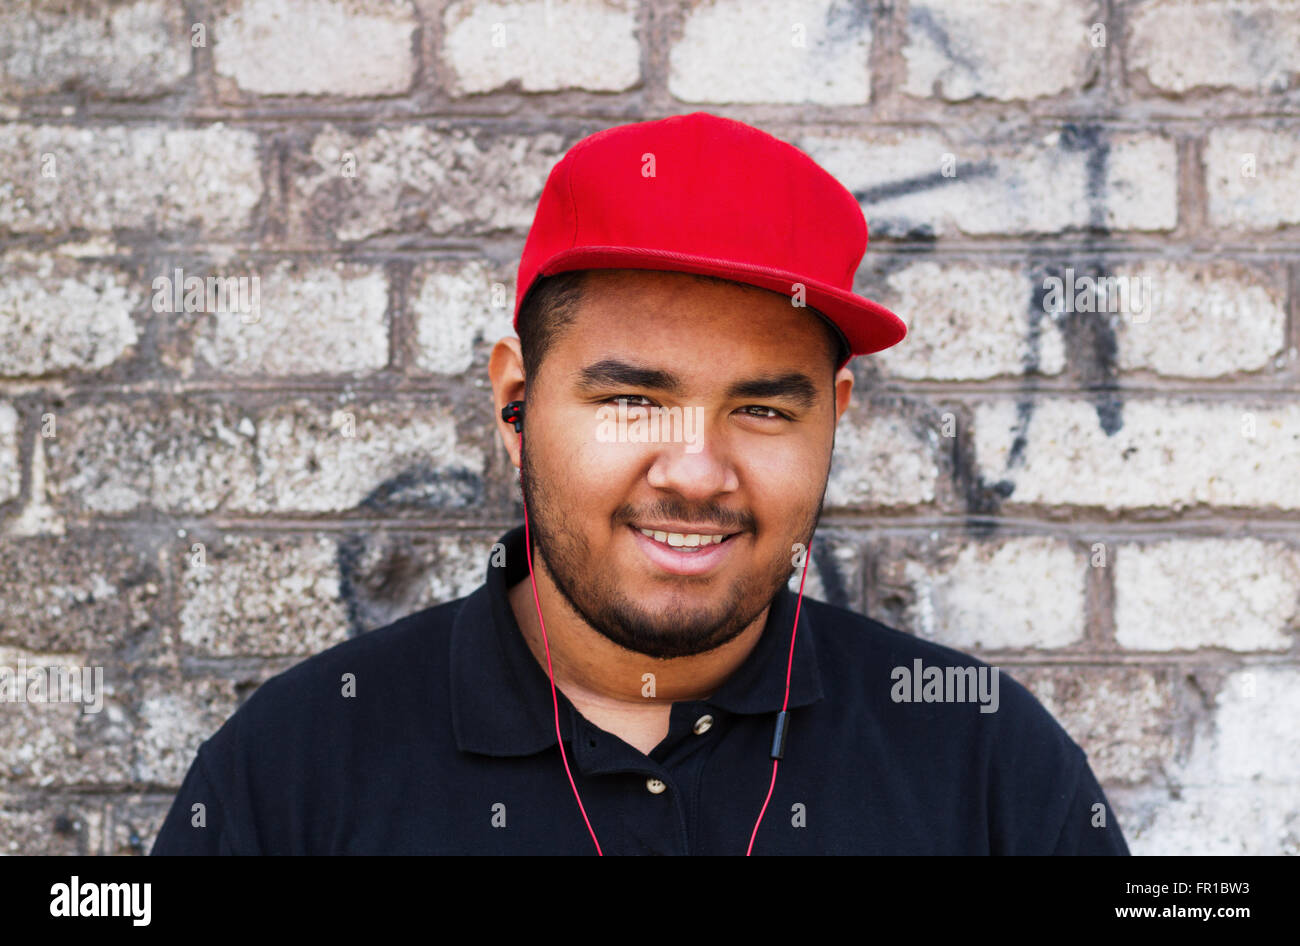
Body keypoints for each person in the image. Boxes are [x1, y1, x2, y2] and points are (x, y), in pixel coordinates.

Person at [151, 111, 1129, 855]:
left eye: (763, 409)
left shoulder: (984, 766)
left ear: (837, 413)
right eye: (629, 400)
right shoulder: (293, 774)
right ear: (516, 404)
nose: (696, 471)